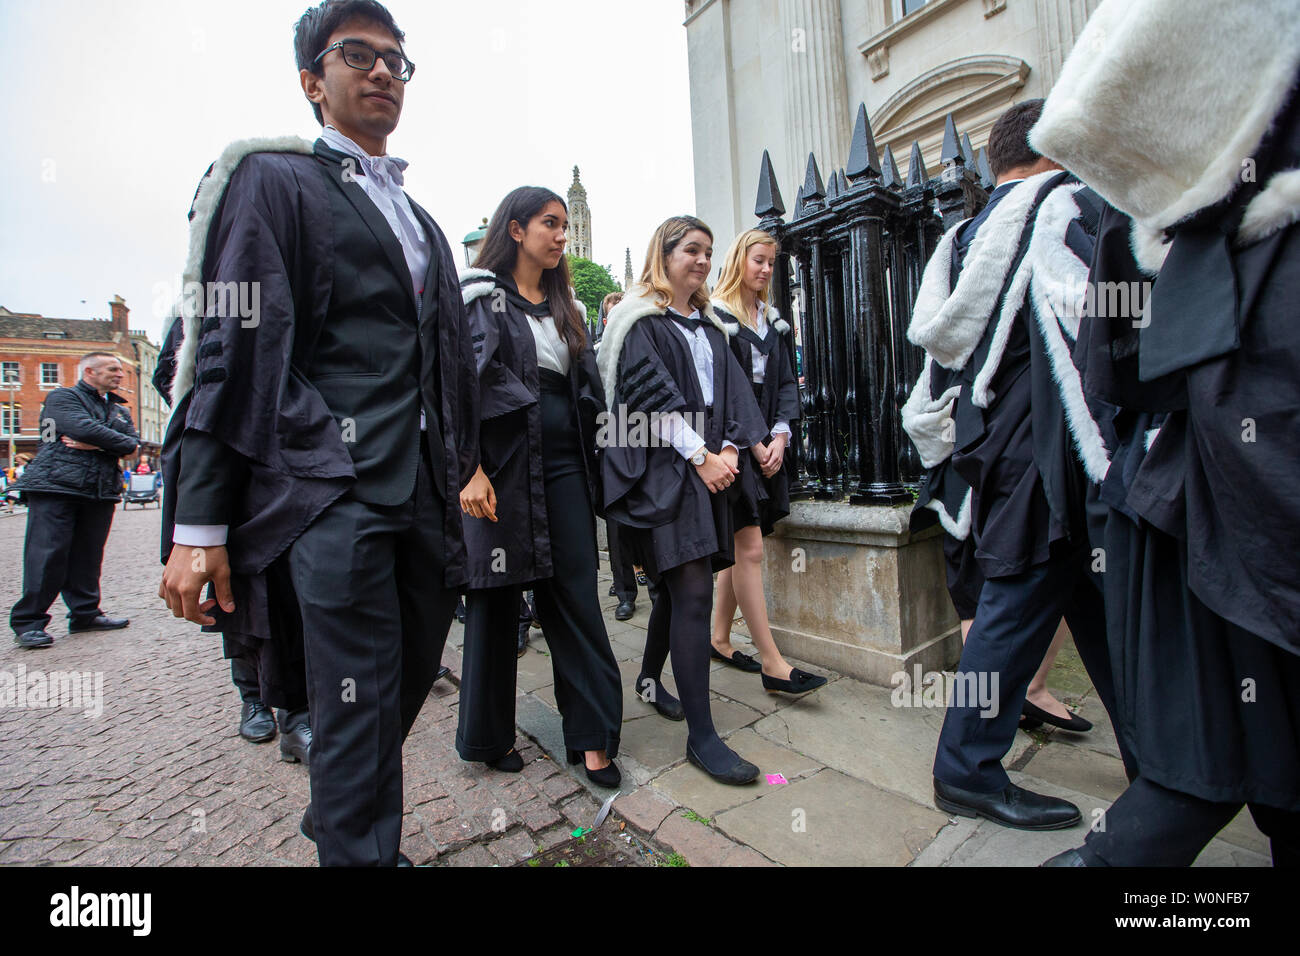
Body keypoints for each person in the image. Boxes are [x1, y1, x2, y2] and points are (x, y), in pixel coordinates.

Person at [157, 0, 479, 867]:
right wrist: (198, 524)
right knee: (356, 688)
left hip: (420, 487)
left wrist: (465, 466)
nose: (382, 72)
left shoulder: (424, 221)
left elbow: (447, 364)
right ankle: (359, 847)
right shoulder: (272, 180)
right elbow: (232, 347)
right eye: (357, 55)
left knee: (405, 674)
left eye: (396, 62)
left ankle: (340, 809)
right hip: (327, 484)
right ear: (312, 81)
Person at [1032, 0, 1300, 865]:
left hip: (1180, 505)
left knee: (1197, 780)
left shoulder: (1146, 222)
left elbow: (1109, 366)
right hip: (1233, 507)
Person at [904, 100, 1132, 830]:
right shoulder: (1064, 205)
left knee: (1095, 609)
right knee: (1015, 606)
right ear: (1051, 148)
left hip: (993, 452)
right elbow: (1107, 324)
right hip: (1054, 456)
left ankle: (1163, 765)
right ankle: (965, 769)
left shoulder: (963, 238)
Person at [455, 186, 622, 788]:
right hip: (499, 471)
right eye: (550, 224)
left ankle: (593, 736)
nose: (561, 235)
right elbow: (460, 389)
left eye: (564, 224)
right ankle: (486, 735)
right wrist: (467, 469)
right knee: (495, 602)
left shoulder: (566, 309)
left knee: (576, 593)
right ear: (517, 230)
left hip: (565, 468)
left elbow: (588, 395)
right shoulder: (479, 298)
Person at [598, 215, 770, 785]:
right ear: (664, 254)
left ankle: (649, 679)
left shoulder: (714, 326)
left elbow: (730, 397)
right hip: (664, 473)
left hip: (710, 470)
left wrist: (727, 445)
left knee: (677, 591)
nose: (700, 260)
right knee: (692, 591)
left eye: (708, 252)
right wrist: (702, 454)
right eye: (690, 250)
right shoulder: (640, 322)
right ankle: (703, 738)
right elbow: (649, 401)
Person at [708, 229, 826, 695]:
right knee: (751, 550)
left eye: (772, 263)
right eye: (758, 260)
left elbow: (783, 387)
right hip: (735, 445)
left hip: (768, 444)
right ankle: (773, 664)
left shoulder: (774, 322)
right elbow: (723, 390)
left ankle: (718, 637)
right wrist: (754, 440)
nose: (765, 270)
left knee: (743, 550)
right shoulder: (717, 319)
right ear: (740, 259)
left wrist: (780, 433)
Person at [10, 352, 138, 649]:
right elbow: (81, 427)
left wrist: (97, 444)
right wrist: (109, 442)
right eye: (113, 369)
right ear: (90, 371)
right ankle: (29, 621)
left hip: (100, 488)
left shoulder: (120, 410)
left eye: (120, 370)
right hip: (58, 486)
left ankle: (85, 614)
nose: (120, 375)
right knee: (47, 554)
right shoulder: (62, 397)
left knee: (88, 555)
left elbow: (133, 445)